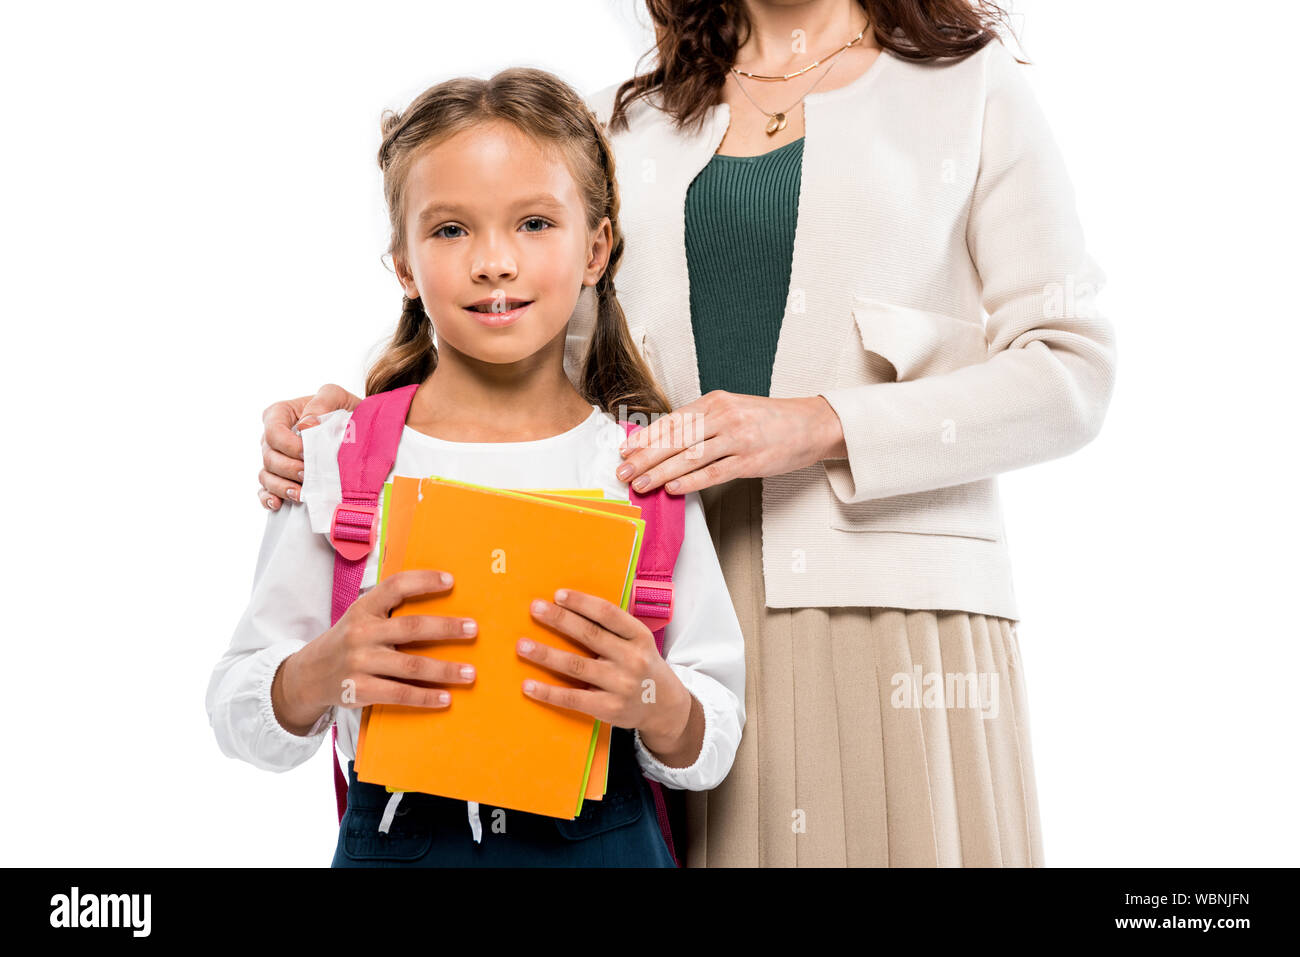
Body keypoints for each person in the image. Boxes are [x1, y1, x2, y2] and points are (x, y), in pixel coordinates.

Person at [257, 0, 1117, 867]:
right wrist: (356, 414)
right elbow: (525, 351)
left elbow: (1070, 370)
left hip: (890, 611)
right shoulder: (623, 120)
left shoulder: (971, 87)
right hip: (655, 602)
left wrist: (815, 426)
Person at [208, 66, 746, 867]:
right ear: (402, 263)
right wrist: (319, 674)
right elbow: (237, 712)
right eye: (451, 230)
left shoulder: (641, 465)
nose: (494, 262)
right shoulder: (337, 460)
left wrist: (655, 696)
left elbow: (714, 730)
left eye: (534, 223)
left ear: (596, 248)